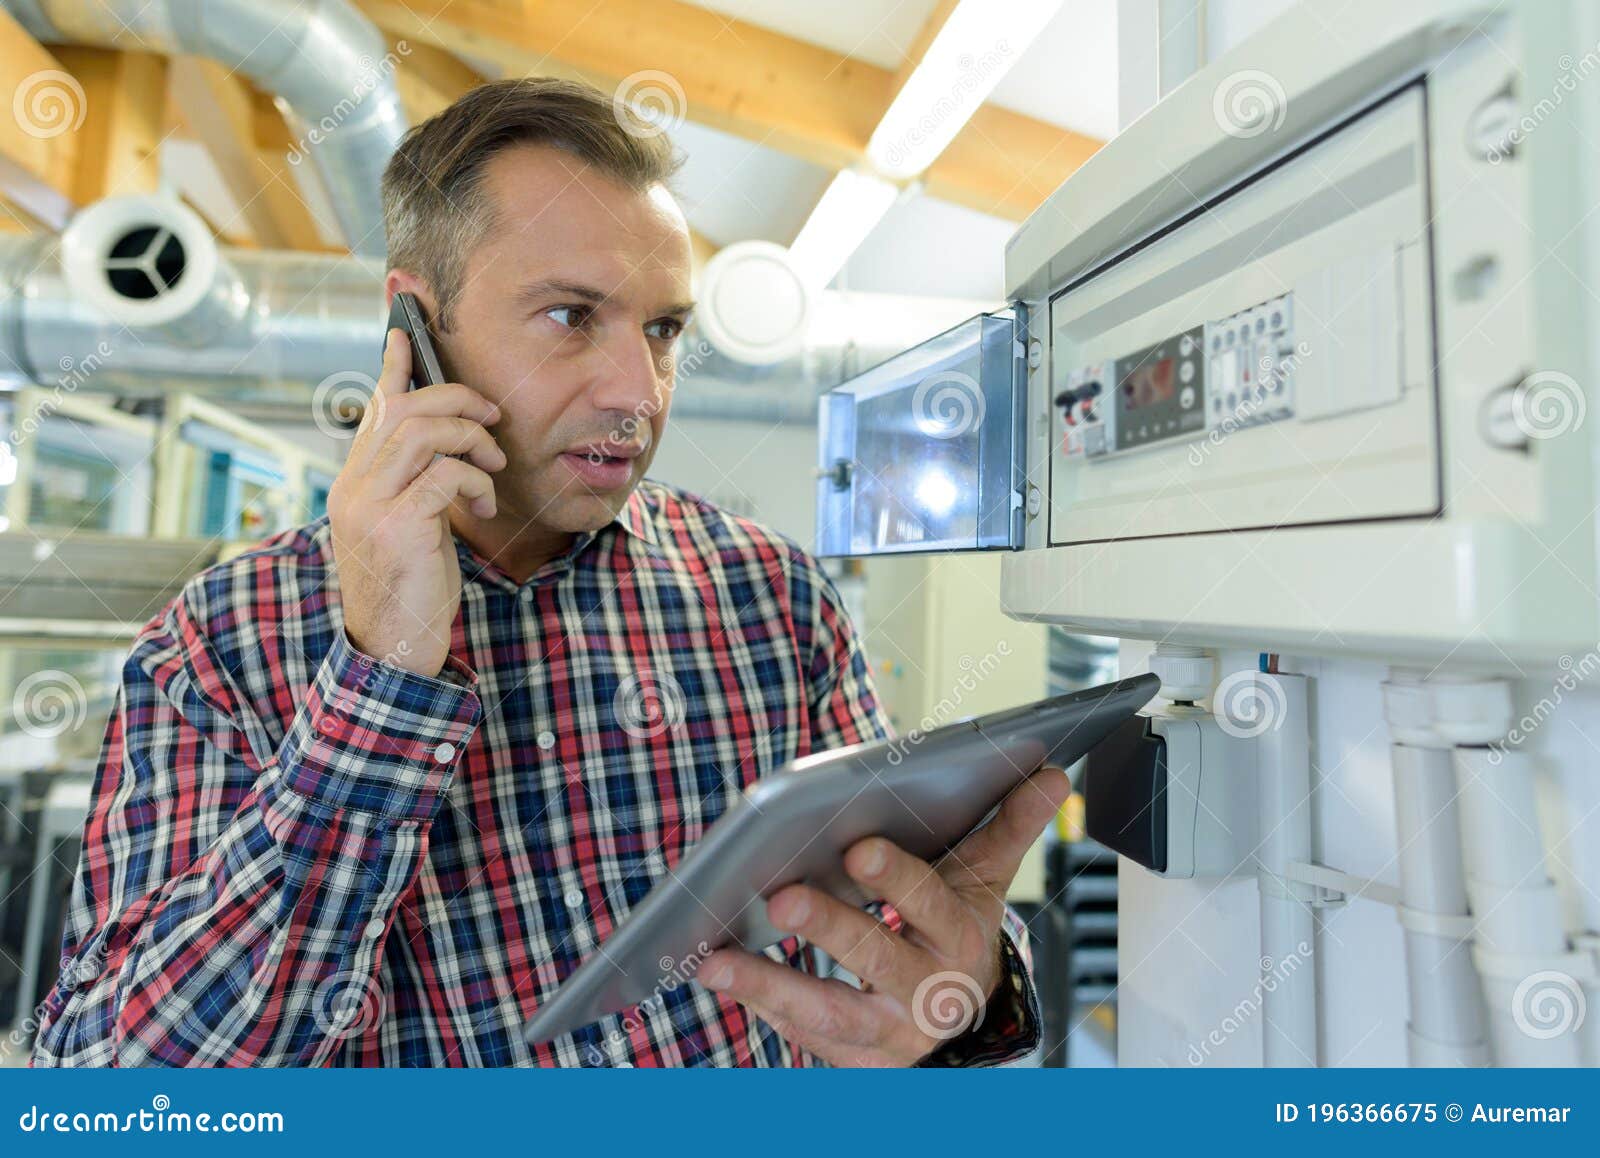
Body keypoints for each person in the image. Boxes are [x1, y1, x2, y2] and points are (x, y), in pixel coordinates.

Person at [32, 78, 1069, 1068]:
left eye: (662, 329)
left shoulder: (772, 596)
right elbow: (112, 1084)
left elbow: (889, 926)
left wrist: (962, 991)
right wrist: (381, 682)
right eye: (572, 316)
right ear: (415, 323)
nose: (639, 390)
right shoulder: (217, 646)